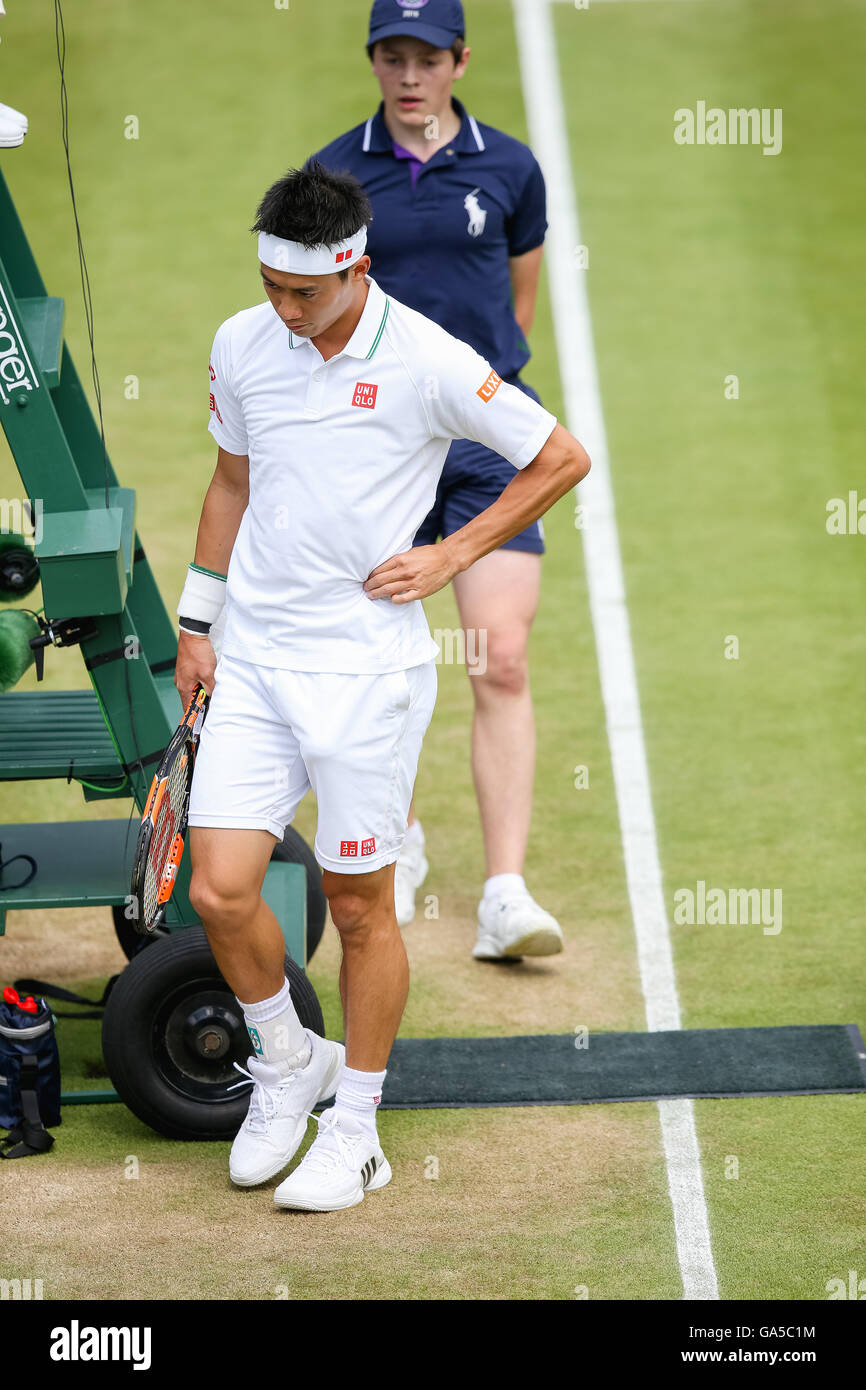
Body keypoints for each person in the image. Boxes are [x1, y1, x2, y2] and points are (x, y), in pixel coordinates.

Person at [175, 161, 589, 1212]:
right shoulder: (241, 342)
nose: (281, 308)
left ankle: (354, 1125)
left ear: (354, 270)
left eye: (301, 293)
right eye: (269, 283)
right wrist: (196, 619)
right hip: (259, 661)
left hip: (365, 673)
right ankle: (286, 1061)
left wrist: (449, 555)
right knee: (220, 888)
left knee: (360, 907)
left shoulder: (424, 358)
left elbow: (557, 455)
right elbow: (231, 480)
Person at [311, 0, 560, 961]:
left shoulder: (511, 167)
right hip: (386, 448)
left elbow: (517, 290)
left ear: (460, 61)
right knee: (385, 660)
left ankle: (504, 894)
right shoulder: (336, 174)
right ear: (375, 62)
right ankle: (398, 845)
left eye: (427, 58)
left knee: (499, 657)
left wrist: (482, 380)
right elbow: (325, 305)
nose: (409, 75)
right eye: (392, 57)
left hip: (490, 437)